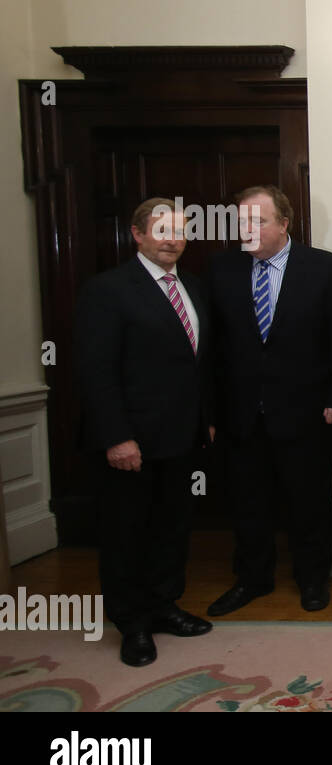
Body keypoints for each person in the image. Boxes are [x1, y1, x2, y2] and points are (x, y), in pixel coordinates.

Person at [76, 197, 214, 666]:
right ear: (137, 235)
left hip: (181, 438)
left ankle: (162, 606)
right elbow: (97, 372)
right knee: (125, 533)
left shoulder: (193, 286)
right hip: (131, 441)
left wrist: (206, 420)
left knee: (171, 529)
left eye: (179, 230)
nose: (172, 239)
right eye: (161, 230)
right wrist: (117, 436)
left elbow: (198, 365)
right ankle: (132, 623)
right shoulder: (108, 290)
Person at [205, 185, 332, 616]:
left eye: (258, 221)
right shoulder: (221, 269)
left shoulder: (324, 268)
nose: (247, 230)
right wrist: (210, 412)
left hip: (309, 412)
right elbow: (212, 348)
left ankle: (312, 581)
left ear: (284, 224)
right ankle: (252, 580)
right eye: (242, 222)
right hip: (241, 414)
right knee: (248, 503)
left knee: (309, 502)